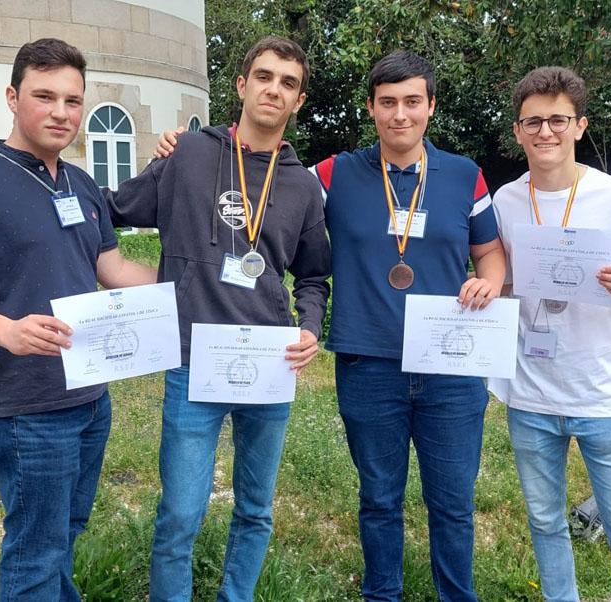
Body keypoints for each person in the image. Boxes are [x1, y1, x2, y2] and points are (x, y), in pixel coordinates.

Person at [156, 49, 504, 602]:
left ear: (431, 106)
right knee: (379, 500)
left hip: (450, 365)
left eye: (412, 102)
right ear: (371, 108)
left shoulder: (466, 175)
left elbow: (489, 253)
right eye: (387, 102)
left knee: (454, 504)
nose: (400, 114)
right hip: (368, 364)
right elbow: (267, 193)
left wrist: (491, 280)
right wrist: (189, 153)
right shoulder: (332, 174)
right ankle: (381, 595)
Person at [0, 38, 157, 601]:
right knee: (35, 549)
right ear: (12, 97)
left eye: (73, 100)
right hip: (22, 404)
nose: (61, 112)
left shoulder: (81, 184)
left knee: (63, 532)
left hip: (89, 395)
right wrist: (8, 330)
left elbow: (113, 268)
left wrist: (192, 283)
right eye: (44, 96)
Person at [105, 36, 331, 601]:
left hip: (270, 362)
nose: (273, 90)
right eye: (264, 77)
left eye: (288, 83)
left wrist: (309, 326)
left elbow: (313, 276)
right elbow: (115, 208)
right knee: (180, 513)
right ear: (241, 85)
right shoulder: (188, 154)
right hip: (191, 357)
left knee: (255, 510)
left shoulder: (303, 186)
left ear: (299, 100)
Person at [488, 66, 611, 602]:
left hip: (602, 392)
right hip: (530, 392)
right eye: (533, 122)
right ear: (518, 131)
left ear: (580, 126)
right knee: (545, 525)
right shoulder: (504, 201)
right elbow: (502, 277)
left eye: (558, 120)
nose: (546, 132)